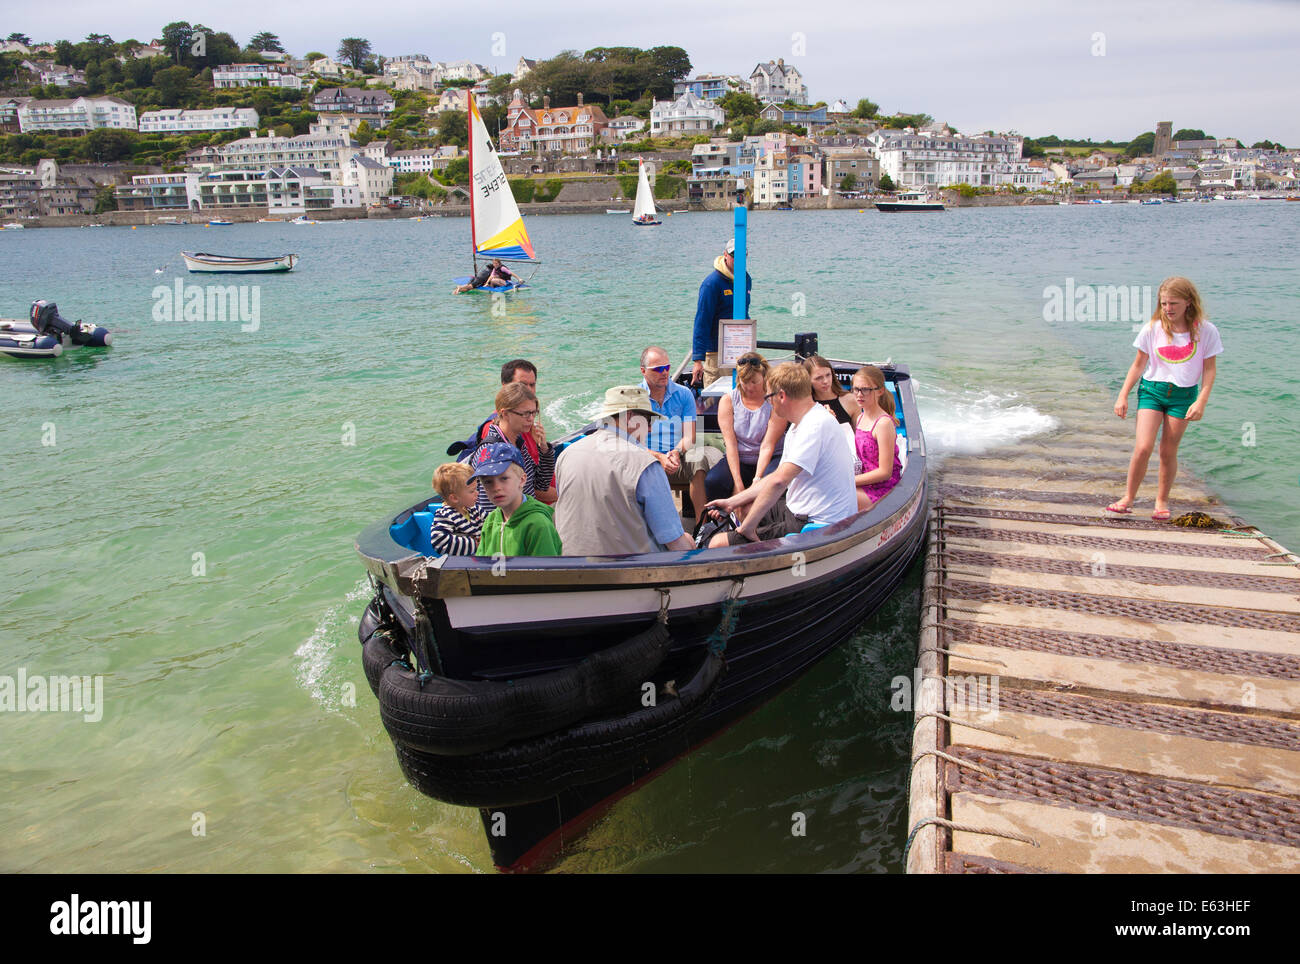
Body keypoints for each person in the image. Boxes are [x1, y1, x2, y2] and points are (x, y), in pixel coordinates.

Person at [705, 362, 858, 547]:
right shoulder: (800, 422)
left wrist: (747, 528)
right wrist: (733, 501)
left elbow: (780, 481)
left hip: (816, 521)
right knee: (744, 508)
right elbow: (775, 477)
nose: (768, 402)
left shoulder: (814, 426)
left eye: (768, 396)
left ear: (781, 396)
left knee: (718, 543)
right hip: (800, 509)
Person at [1108, 276, 1222, 520]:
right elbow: (1138, 365)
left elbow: (1210, 370)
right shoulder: (1153, 328)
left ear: (1188, 302)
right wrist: (1122, 395)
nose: (1168, 309)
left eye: (1173, 303)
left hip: (1184, 396)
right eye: (1163, 304)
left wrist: (1201, 400)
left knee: (1168, 451)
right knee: (1143, 447)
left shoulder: (1206, 331)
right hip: (1152, 390)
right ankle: (1128, 498)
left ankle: (1161, 501)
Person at [554, 385, 696, 556]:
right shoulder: (645, 464)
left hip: (570, 566)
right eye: (648, 421)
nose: (650, 429)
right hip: (630, 574)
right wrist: (689, 542)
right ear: (629, 417)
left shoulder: (566, 455)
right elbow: (676, 544)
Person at [640, 345, 722, 518]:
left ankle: (702, 525)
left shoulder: (684, 394)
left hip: (678, 457)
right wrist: (659, 457)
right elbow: (630, 443)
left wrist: (676, 452)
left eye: (667, 368)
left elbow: (690, 435)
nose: (664, 373)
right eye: (658, 369)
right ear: (643, 371)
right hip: (646, 461)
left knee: (698, 459)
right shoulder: (634, 398)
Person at [704, 351, 787, 504]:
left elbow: (767, 446)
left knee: (771, 484)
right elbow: (731, 443)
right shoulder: (728, 400)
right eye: (744, 381)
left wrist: (757, 481)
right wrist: (738, 484)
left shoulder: (774, 401)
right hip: (740, 457)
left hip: (770, 457)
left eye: (754, 382)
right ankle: (718, 522)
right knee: (713, 481)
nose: (749, 386)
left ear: (764, 377)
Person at [474, 382, 557, 514]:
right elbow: (489, 510)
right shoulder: (492, 452)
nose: (531, 419)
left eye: (534, 413)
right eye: (525, 414)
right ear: (505, 414)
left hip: (529, 515)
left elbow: (541, 485)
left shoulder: (517, 442)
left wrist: (544, 449)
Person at [470, 442, 562, 557]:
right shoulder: (491, 521)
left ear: (522, 480)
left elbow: (544, 572)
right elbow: (482, 563)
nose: (496, 488)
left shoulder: (538, 525)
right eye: (488, 482)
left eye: (504, 478)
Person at [691, 238, 752, 388]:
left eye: (741, 257)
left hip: (740, 349)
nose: (737, 260)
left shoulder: (746, 279)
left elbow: (745, 312)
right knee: (717, 399)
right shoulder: (711, 284)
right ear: (725, 255)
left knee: (743, 391)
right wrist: (698, 360)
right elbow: (702, 321)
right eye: (733, 256)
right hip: (716, 353)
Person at [849, 366, 903, 510]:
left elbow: (885, 472)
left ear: (879, 391)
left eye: (865, 389)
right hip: (865, 480)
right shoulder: (860, 418)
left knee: (836, 495)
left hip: (883, 487)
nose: (859, 394)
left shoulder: (883, 424)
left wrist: (849, 481)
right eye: (856, 389)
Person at [429, 462, 489, 555]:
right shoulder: (445, 515)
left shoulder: (474, 508)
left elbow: (490, 521)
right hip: (464, 564)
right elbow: (440, 543)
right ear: (455, 498)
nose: (477, 493)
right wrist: (475, 544)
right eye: (472, 491)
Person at [805, 354, 860, 426]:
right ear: (808, 380)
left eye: (828, 375)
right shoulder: (803, 403)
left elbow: (859, 435)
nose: (825, 381)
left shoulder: (850, 400)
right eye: (818, 378)